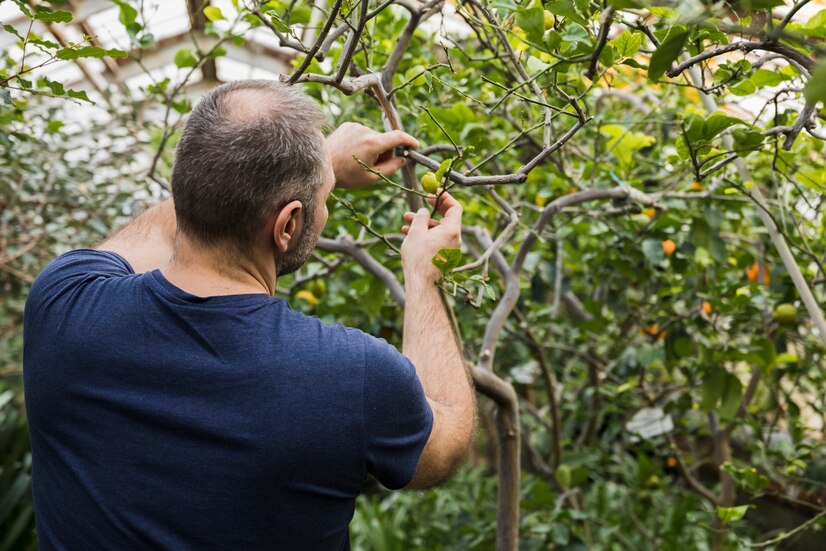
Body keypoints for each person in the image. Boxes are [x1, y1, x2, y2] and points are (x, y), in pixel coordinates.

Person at [23, 80, 476, 550]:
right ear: (288, 226)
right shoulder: (353, 376)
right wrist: (426, 275)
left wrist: (316, 161)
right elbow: (445, 445)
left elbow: (162, 225)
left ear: (184, 184)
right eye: (323, 200)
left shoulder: (62, 305)